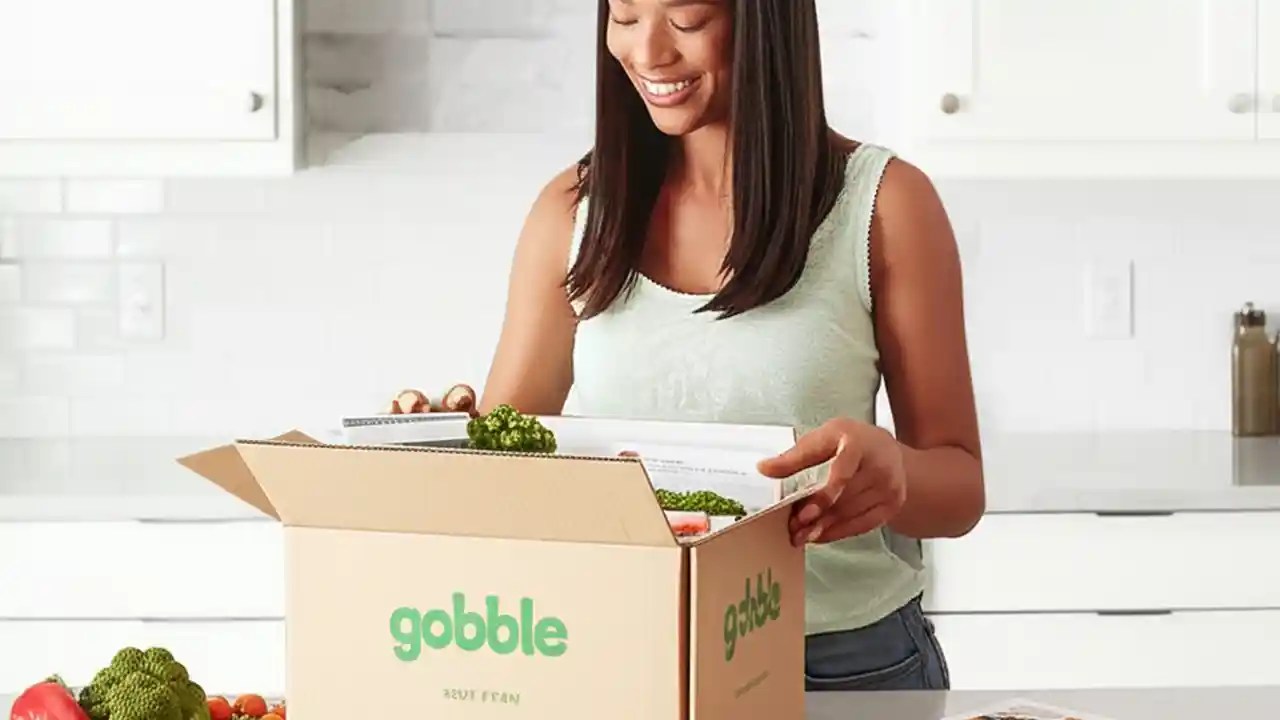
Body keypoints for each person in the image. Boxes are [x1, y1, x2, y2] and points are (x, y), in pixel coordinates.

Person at [478, 0, 984, 693]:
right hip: (625, 654)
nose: (647, 52)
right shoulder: (573, 212)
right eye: (624, 17)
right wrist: (436, 429)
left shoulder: (884, 205)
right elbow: (496, 463)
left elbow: (959, 488)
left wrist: (891, 473)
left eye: (685, 20)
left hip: (839, 666)